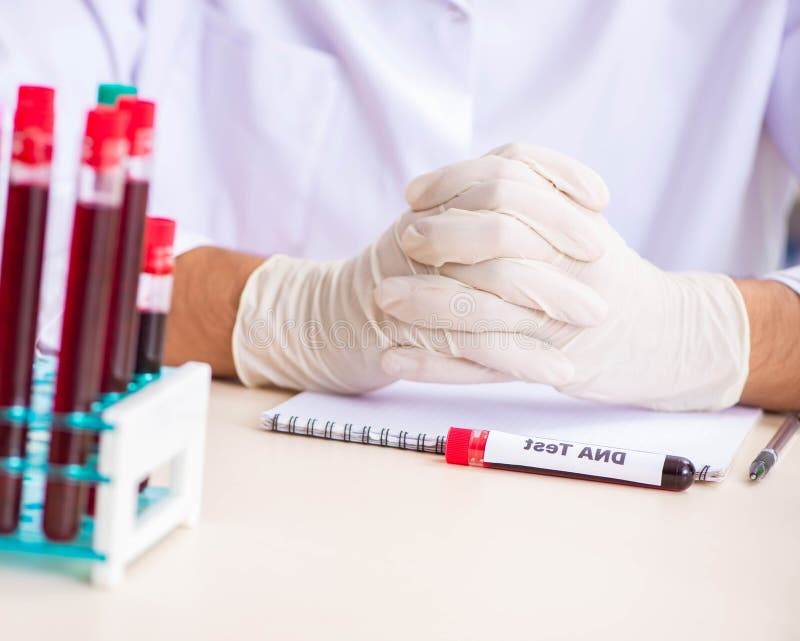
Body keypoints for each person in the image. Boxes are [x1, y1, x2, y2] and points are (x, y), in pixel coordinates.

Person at [0, 1, 798, 411]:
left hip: (654, 527)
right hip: (228, 480)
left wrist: (699, 335)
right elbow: (21, 208)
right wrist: (284, 315)